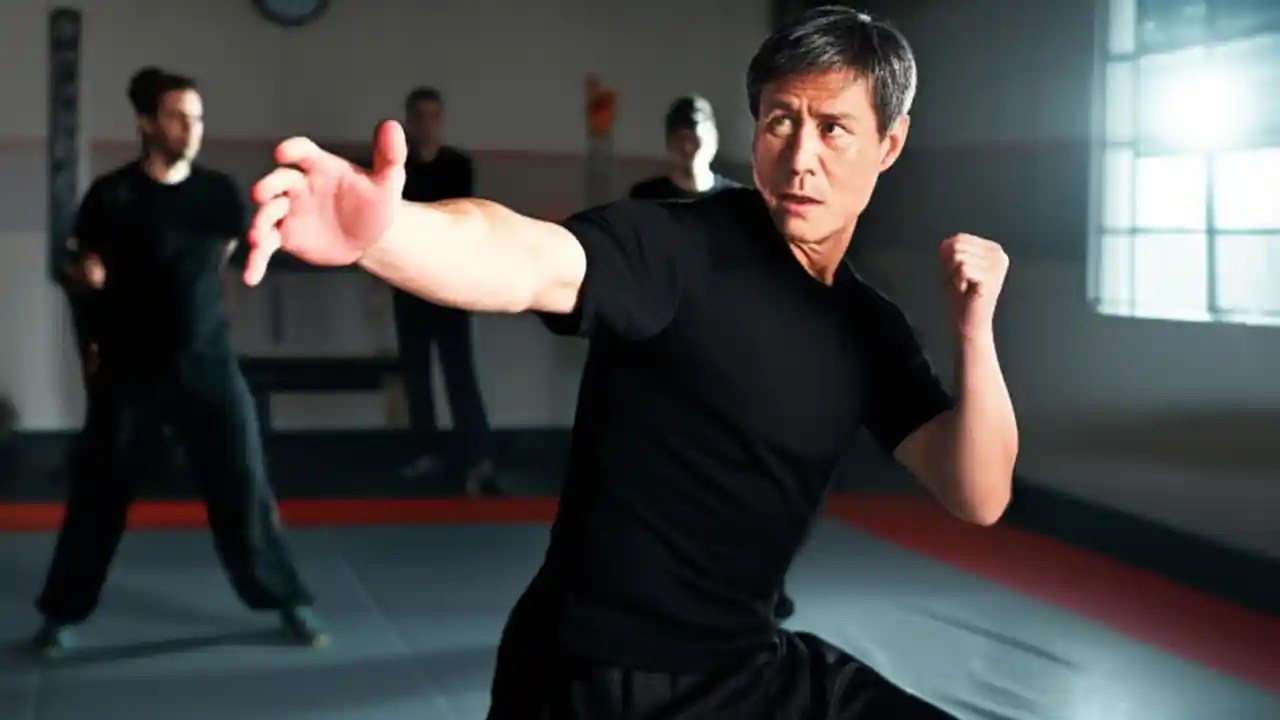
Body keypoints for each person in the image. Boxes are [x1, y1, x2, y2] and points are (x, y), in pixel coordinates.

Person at [244, 7, 1017, 718]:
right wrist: (386, 234)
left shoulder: (866, 326)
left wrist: (975, 333)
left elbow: (975, 491)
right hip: (596, 675)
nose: (800, 158)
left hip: (744, 667)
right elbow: (524, 255)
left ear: (890, 143)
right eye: (782, 120)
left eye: (834, 129)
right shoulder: (680, 247)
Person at [31, 67, 328, 659]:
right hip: (130, 372)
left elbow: (235, 257)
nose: (192, 127)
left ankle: (284, 598)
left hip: (208, 367)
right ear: (146, 122)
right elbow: (83, 269)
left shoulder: (217, 194)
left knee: (243, 486)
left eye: (197, 116)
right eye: (178, 116)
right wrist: (84, 280)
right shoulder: (111, 196)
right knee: (98, 497)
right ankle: (61, 614)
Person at [391, 86, 498, 496]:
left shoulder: (457, 166)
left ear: (441, 120)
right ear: (409, 120)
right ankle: (427, 452)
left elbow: (461, 219)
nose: (426, 124)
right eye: (419, 116)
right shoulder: (397, 168)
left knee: (459, 372)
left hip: (451, 283)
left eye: (433, 116)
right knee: (416, 372)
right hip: (409, 280)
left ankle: (477, 455)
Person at [629, 94, 737, 201]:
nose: (687, 147)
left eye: (695, 138)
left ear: (714, 140)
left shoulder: (736, 201)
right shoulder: (645, 197)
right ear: (669, 143)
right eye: (680, 138)